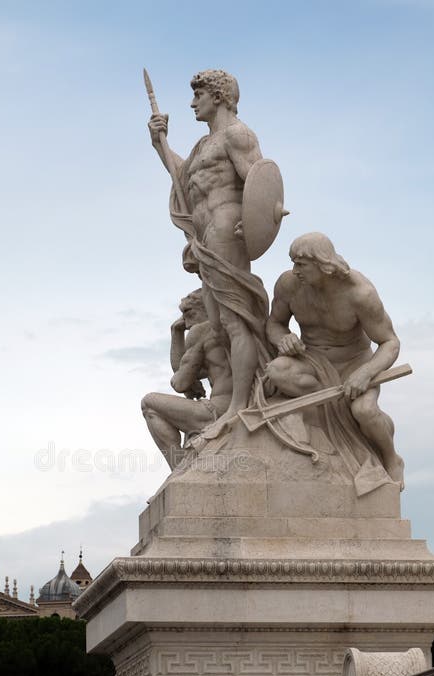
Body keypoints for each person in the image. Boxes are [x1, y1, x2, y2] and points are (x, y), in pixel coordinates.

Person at [148, 70, 271, 436]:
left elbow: (260, 183)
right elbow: (183, 178)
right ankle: (238, 397)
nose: (192, 102)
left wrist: (252, 223)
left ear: (218, 96)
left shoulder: (238, 134)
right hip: (205, 239)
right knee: (217, 326)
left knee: (235, 322)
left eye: (198, 94)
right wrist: (160, 143)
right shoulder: (204, 146)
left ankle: (238, 406)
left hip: (226, 235)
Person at [265, 232, 404, 487]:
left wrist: (366, 373)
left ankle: (391, 458)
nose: (295, 271)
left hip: (355, 363)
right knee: (276, 371)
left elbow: (390, 343)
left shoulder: (360, 293)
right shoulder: (288, 285)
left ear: (323, 265)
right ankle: (330, 425)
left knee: (365, 410)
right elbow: (274, 324)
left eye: (301, 264)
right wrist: (283, 339)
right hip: (312, 360)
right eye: (293, 263)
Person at [142, 290, 232, 469]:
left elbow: (181, 383)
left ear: (205, 308)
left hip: (217, 411)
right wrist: (177, 333)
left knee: (149, 403)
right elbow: (187, 371)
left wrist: (176, 334)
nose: (187, 323)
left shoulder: (202, 331)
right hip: (235, 404)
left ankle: (179, 467)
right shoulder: (231, 331)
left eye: (188, 314)